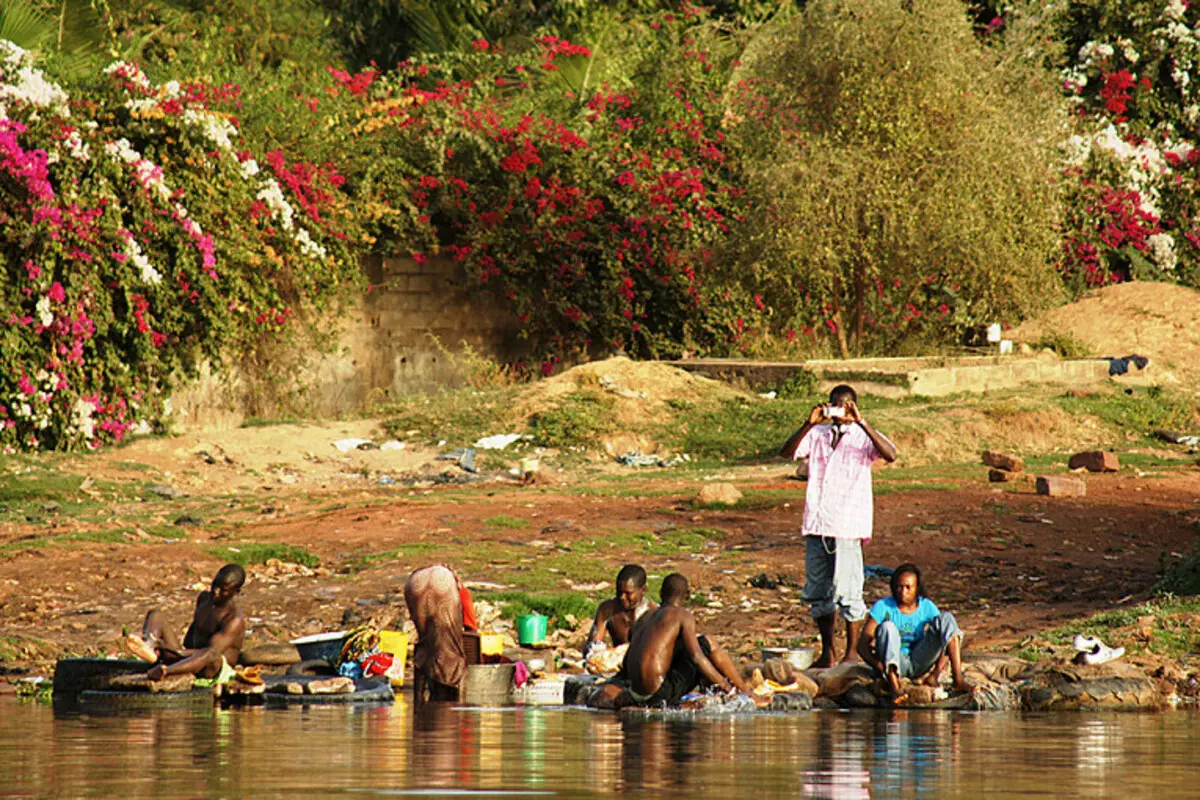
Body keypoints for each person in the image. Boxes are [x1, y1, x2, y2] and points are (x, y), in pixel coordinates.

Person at [780, 383, 897, 668]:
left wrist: (862, 422)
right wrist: (807, 424)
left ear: (853, 407)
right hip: (818, 522)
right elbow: (787, 453)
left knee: (848, 590)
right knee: (819, 590)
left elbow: (890, 454)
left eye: (845, 406)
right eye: (835, 405)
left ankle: (851, 653)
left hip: (847, 523)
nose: (839, 411)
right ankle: (828, 651)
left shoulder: (862, 436)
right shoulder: (818, 434)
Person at [589, 573, 759, 708]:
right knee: (707, 643)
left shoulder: (646, 616)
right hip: (658, 694)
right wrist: (727, 688)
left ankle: (721, 693)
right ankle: (746, 693)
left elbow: (630, 656)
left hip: (636, 692)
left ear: (661, 593)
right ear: (688, 595)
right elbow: (696, 657)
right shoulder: (683, 615)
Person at [856, 563, 973, 698]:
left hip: (918, 661)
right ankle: (894, 687)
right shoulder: (883, 606)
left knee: (947, 619)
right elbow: (862, 646)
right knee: (888, 627)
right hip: (893, 662)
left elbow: (947, 635)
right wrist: (880, 666)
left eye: (908, 587)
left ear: (917, 589)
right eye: (899, 587)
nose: (902, 592)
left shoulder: (926, 606)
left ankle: (958, 679)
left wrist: (936, 672)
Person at [125, 563, 247, 684]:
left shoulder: (233, 619)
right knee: (156, 615)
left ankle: (165, 670)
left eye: (223, 590)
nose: (216, 591)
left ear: (236, 591)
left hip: (210, 668)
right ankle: (149, 646)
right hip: (189, 658)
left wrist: (172, 651)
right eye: (215, 584)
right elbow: (191, 637)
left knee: (210, 653)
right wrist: (173, 650)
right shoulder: (204, 599)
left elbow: (211, 652)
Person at [404, 564, 479, 703]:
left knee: (425, 638)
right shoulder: (462, 591)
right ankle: (456, 694)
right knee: (453, 650)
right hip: (442, 586)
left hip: (414, 582)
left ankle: (419, 697)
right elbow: (471, 629)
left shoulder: (424, 574)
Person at [582, 564, 657, 658]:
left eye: (628, 593)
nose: (622, 597)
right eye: (619, 592)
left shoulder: (654, 614)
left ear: (643, 590)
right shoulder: (607, 610)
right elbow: (592, 645)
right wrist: (596, 653)